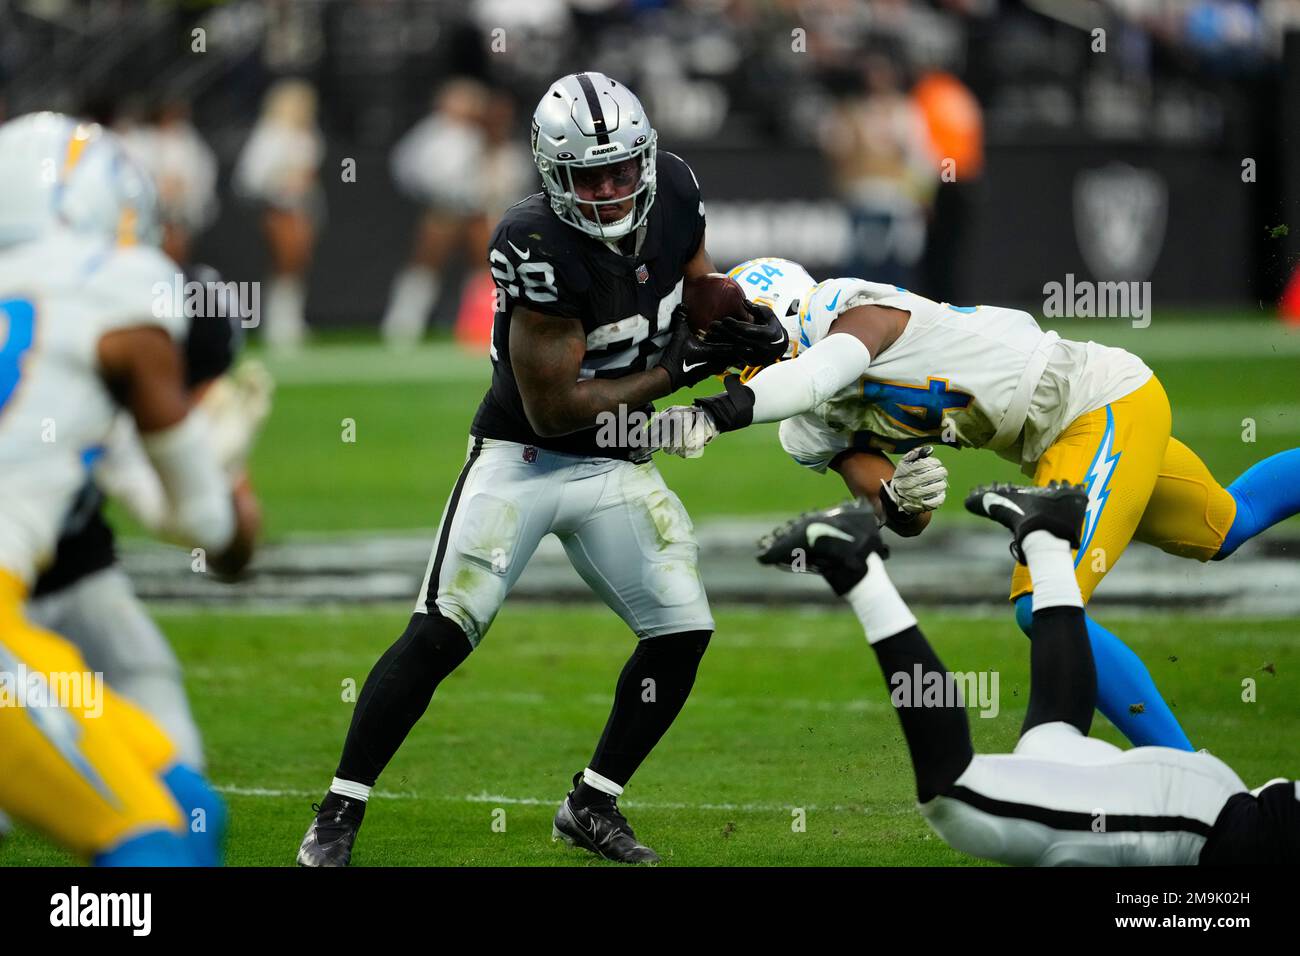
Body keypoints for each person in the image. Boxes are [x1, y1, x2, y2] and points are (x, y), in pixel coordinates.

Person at [296, 72, 784, 866]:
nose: (610, 188)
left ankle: (591, 803)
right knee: (442, 632)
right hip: (523, 457)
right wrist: (684, 369)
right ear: (554, 175)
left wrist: (740, 318)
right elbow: (556, 408)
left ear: (648, 160)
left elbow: (697, 286)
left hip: (614, 460)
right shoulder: (535, 242)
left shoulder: (679, 191)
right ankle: (339, 812)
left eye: (624, 169)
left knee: (681, 633)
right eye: (590, 176)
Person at [654, 258, 1300, 750]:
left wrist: (717, 415)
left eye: (741, 345)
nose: (736, 369)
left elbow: (822, 372)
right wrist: (901, 500)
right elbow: (902, 514)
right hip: (1050, 442)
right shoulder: (804, 421)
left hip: (1097, 401)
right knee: (1224, 525)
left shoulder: (843, 308)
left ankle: (1196, 785)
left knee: (1043, 604)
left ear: (783, 312)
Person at [755, 484, 1297, 865]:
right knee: (954, 796)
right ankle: (855, 563)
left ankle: (1046, 535)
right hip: (1195, 827)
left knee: (1049, 738)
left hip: (1202, 808)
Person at [0, 112, 258, 864]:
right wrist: (221, 470)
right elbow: (218, 534)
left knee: (192, 808)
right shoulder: (120, 289)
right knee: (162, 853)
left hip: (30, 604)